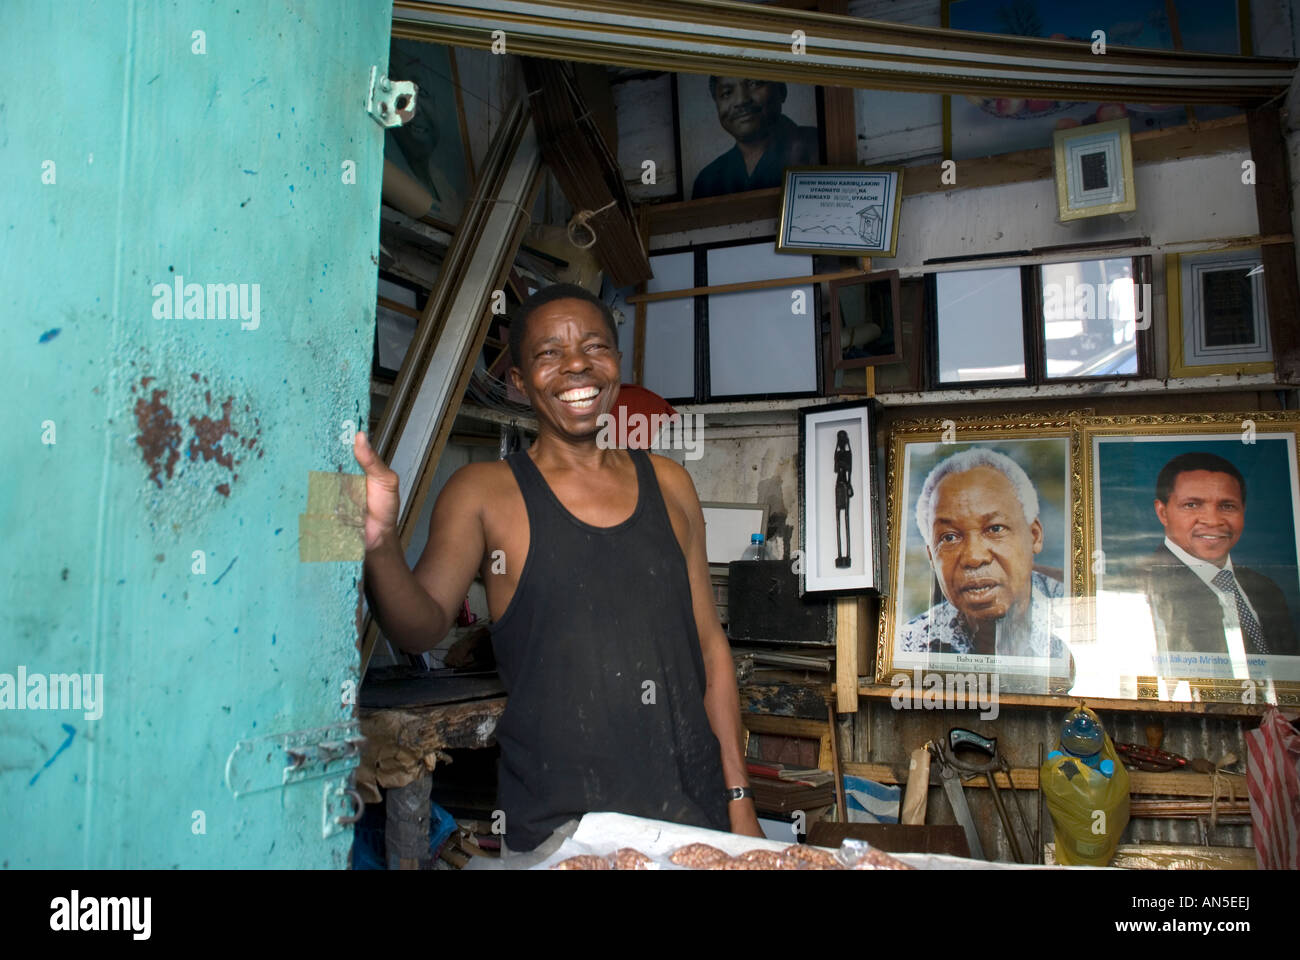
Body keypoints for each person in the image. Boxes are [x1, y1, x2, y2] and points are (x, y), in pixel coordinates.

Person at [354, 282, 762, 864]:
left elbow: (710, 646)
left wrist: (739, 800)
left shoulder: (671, 484)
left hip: (692, 819)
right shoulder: (484, 492)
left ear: (616, 364)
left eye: (594, 346)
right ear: (520, 381)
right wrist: (380, 546)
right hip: (560, 834)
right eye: (549, 353)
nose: (576, 364)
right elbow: (419, 629)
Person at [899, 448, 1067, 661]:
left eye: (995, 529)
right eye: (949, 537)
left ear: (1034, 536)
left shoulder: (1076, 622)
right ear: (931, 556)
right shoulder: (908, 648)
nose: (974, 557)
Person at [1142, 452, 1299, 659]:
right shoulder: (1141, 589)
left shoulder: (1267, 589)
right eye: (1192, 505)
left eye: (1227, 506)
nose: (1213, 520)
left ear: (1243, 510)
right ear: (1163, 512)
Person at [691, 77, 819, 200]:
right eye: (727, 93)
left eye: (755, 84)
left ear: (782, 90)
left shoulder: (818, 146)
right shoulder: (707, 180)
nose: (741, 100)